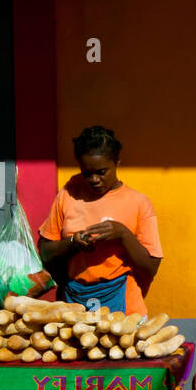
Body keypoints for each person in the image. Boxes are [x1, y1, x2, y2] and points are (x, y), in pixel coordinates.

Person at [38, 126, 162, 315]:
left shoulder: (138, 203)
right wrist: (73, 243)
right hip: (75, 302)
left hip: (125, 306)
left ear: (116, 163)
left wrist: (122, 234)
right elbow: (46, 252)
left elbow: (150, 268)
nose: (94, 179)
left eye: (102, 172)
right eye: (87, 173)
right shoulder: (68, 195)